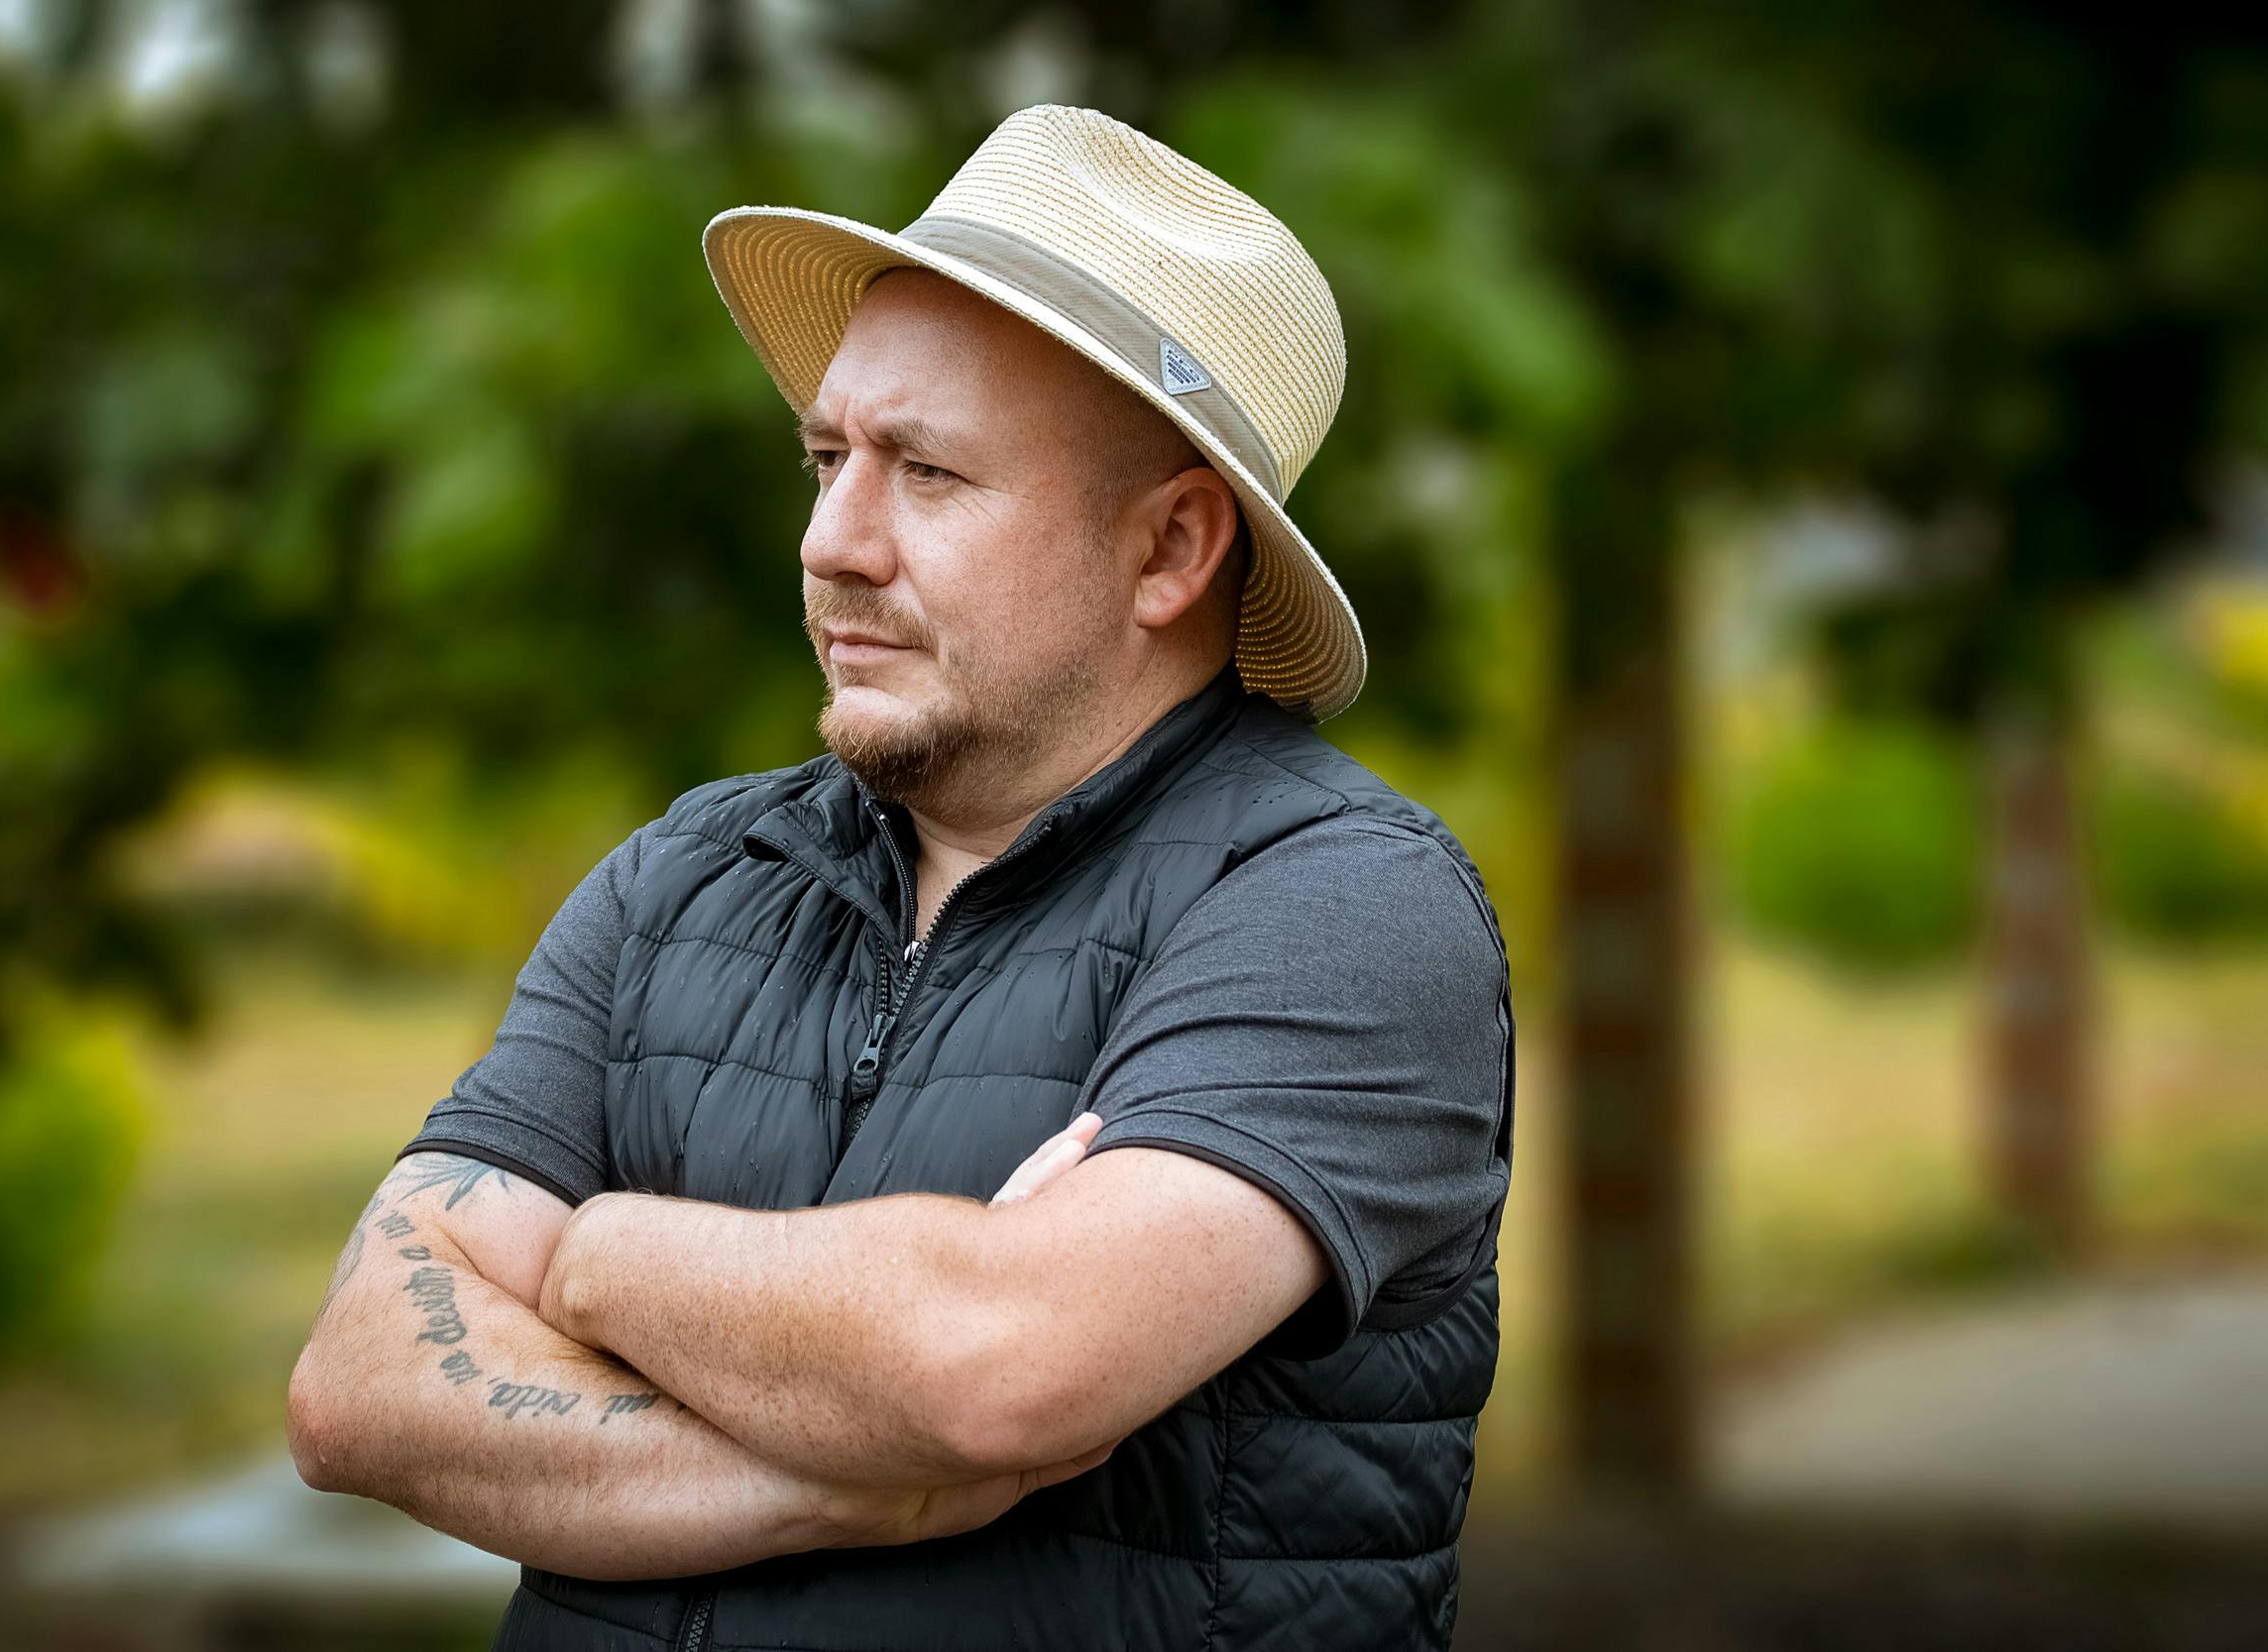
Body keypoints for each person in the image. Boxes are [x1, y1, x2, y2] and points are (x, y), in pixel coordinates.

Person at [285, 102, 1515, 1652]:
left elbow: (996, 1364)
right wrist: (860, 1481)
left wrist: (585, 1252)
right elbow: (358, 1386)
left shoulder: (1339, 906)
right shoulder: (685, 875)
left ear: (1171, 551)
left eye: (925, 473)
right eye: (826, 456)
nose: (831, 541)